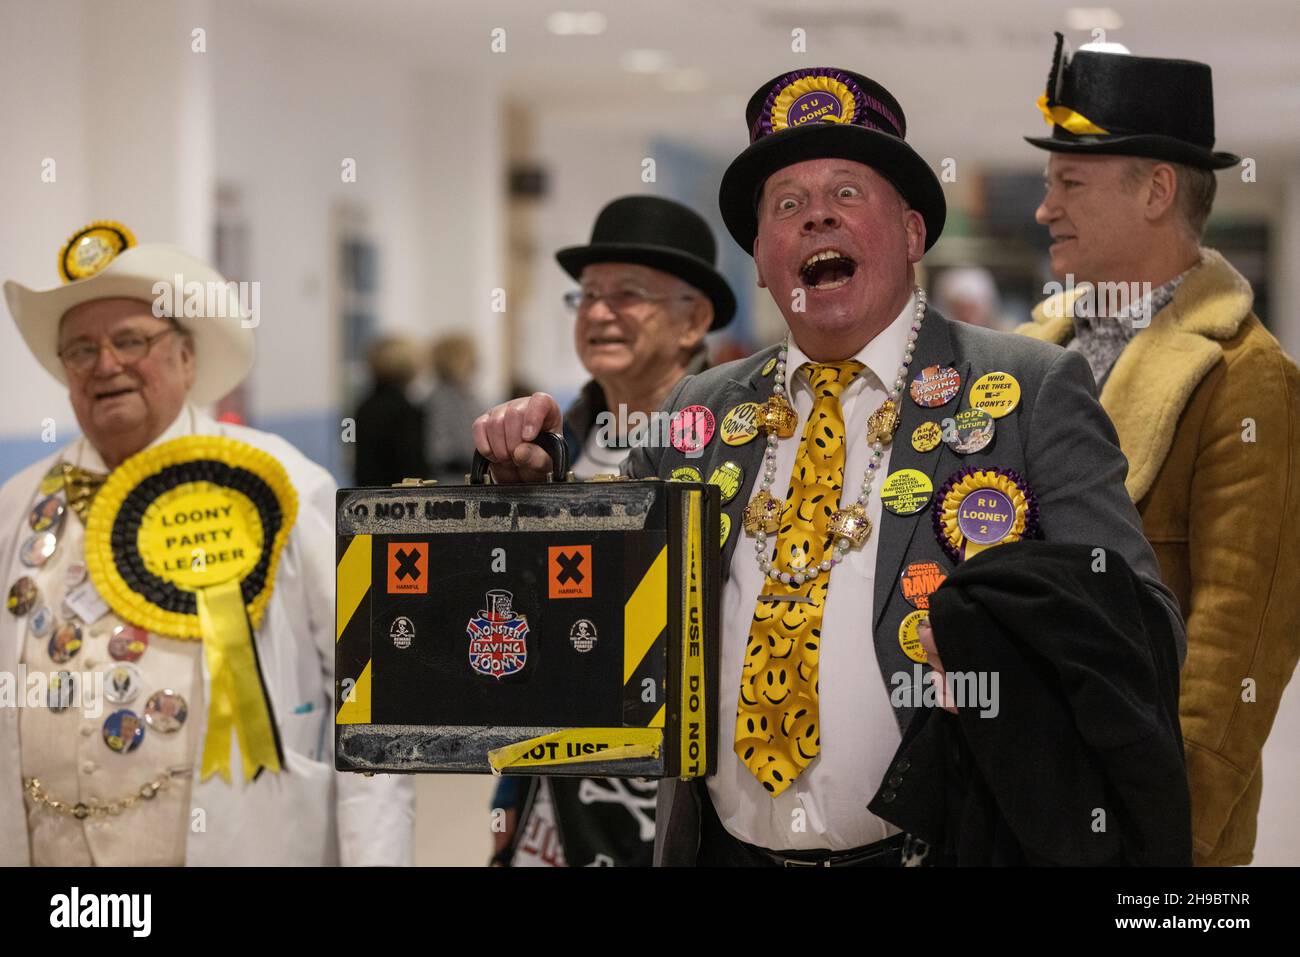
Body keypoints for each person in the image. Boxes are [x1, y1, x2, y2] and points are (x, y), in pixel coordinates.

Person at [475, 68, 1185, 866]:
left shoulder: (1028, 388)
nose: (815, 213)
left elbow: (1145, 624)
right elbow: (597, 611)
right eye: (786, 204)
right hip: (725, 852)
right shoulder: (696, 408)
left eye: (847, 192)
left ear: (913, 233)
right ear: (762, 262)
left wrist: (1009, 649)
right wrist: (527, 494)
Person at [0, 221, 414, 865]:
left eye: (130, 340)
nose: (104, 364)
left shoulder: (284, 486)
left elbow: (373, 692)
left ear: (186, 357)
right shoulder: (18, 503)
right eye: (79, 350)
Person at [1018, 36, 1300, 866]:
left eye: (1070, 181)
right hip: (1012, 796)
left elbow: (1241, 642)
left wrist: (1171, 837)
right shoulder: (1029, 355)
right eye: (1047, 184)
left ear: (1158, 190)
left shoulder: (1248, 376)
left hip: (1139, 823)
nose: (1045, 208)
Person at [489, 194, 737, 867]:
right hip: (556, 795)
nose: (598, 312)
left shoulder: (734, 451)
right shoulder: (555, 444)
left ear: (695, 319)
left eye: (628, 294)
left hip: (681, 798)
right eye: (588, 294)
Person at [352, 334, 428, 487]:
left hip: (367, 491)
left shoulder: (364, 407)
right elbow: (412, 465)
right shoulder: (406, 411)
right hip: (400, 498)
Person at [424, 332, 481, 483]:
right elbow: (439, 451)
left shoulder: (467, 395)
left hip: (468, 475)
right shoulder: (442, 399)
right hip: (451, 480)